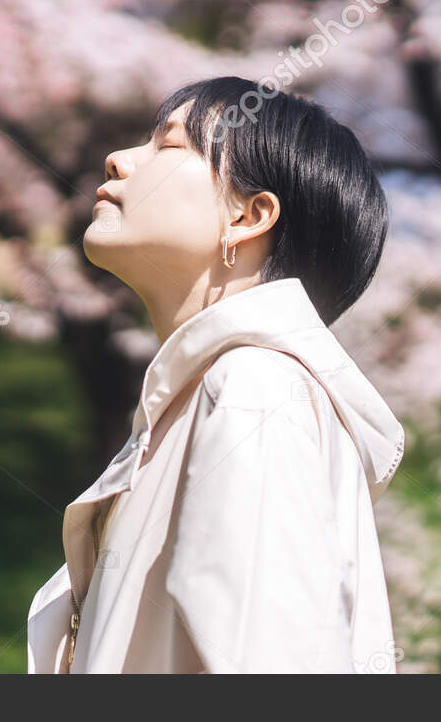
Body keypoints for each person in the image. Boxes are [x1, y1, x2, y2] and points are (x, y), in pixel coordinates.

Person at [25, 75, 406, 673]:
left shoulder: (255, 390)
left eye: (169, 145)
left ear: (248, 216)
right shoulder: (208, 396)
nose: (119, 159)